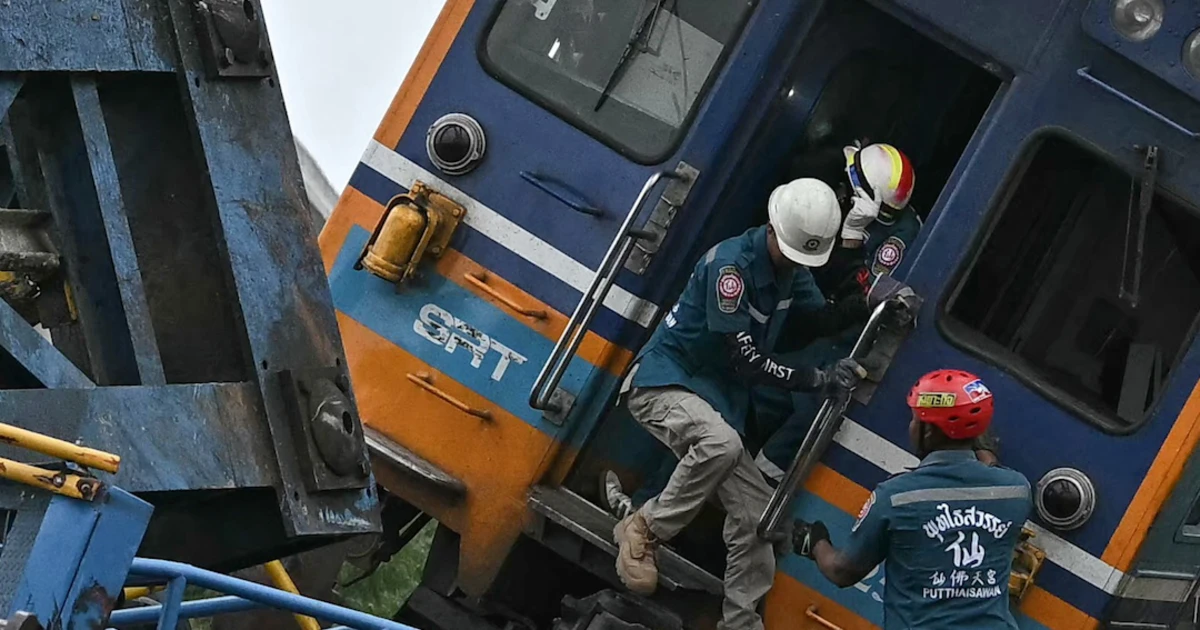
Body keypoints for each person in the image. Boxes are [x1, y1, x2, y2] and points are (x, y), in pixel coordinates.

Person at [612, 178, 868, 630]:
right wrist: (817, 379)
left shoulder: (791, 271)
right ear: (772, 228)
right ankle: (643, 529)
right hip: (664, 383)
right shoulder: (730, 267)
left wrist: (867, 302)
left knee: (758, 518)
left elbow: (818, 319)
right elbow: (745, 360)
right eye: (792, 252)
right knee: (722, 444)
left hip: (718, 406)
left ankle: (740, 624)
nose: (797, 263)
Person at [795, 370, 1031, 629]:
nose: (911, 426)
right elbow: (985, 478)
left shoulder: (896, 498)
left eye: (915, 419)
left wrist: (815, 542)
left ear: (927, 431)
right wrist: (981, 449)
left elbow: (842, 572)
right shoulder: (1016, 491)